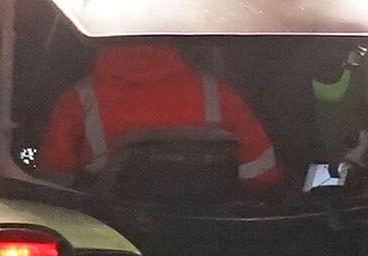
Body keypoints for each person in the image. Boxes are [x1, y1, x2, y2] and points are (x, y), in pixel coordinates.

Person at [38, 40, 281, 190]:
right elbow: (263, 177)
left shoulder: (79, 99)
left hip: (115, 235)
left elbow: (54, 183)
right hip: (210, 236)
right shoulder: (219, 94)